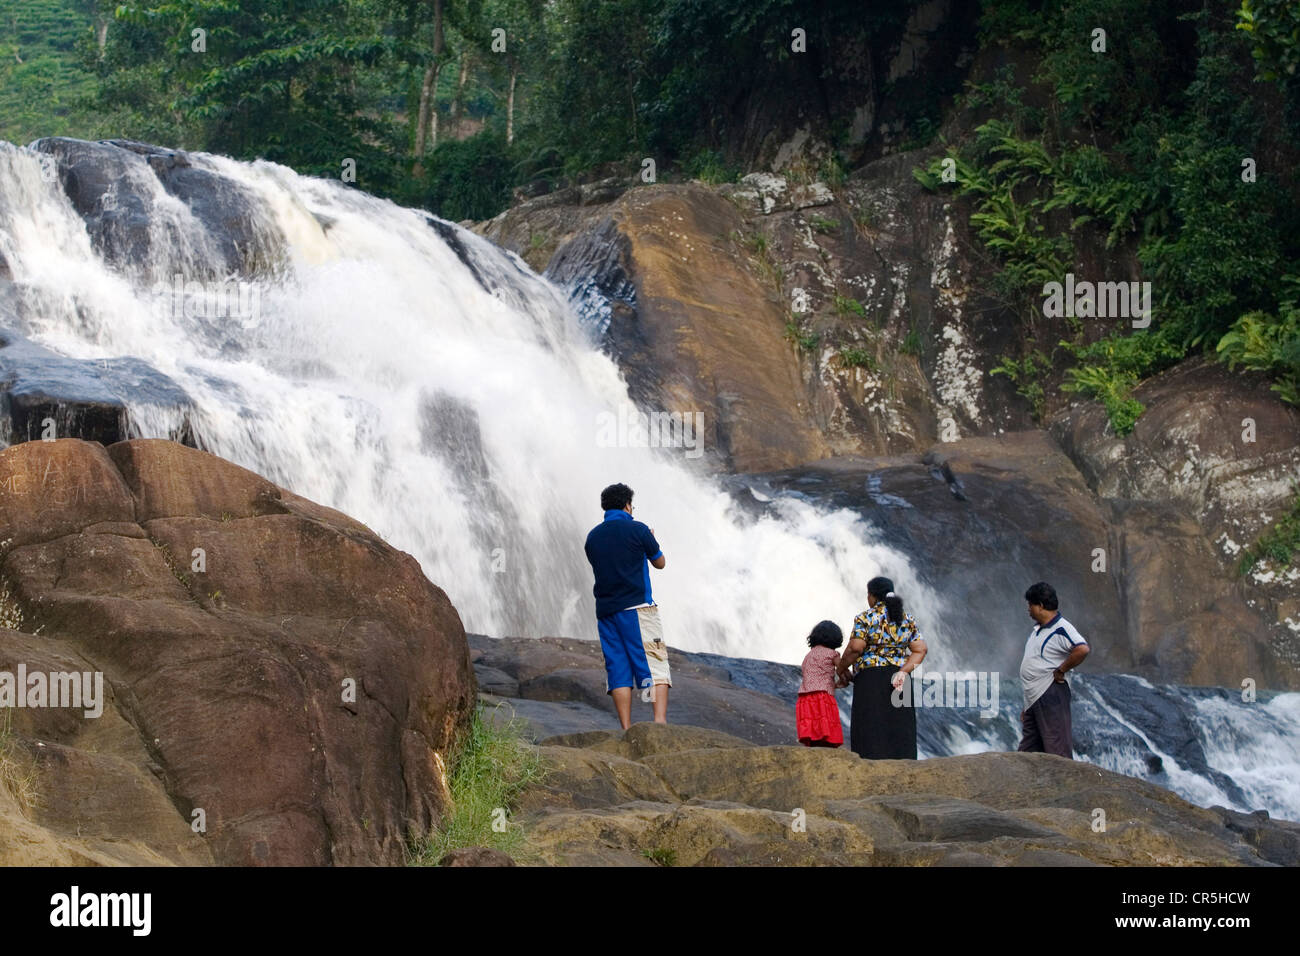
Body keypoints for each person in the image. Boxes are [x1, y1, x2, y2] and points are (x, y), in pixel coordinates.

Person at [583, 482, 671, 729]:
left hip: (606, 613)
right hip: (638, 609)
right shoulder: (638, 530)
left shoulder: (593, 537)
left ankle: (626, 728)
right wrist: (650, 541)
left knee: (618, 667)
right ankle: (660, 724)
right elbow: (660, 563)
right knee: (654, 663)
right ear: (627, 505)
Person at [836, 576, 927, 759]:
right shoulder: (906, 619)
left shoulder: (866, 618)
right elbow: (921, 650)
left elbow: (856, 647)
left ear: (872, 596)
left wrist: (841, 669)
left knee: (870, 728)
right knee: (901, 731)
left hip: (871, 679)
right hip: (900, 680)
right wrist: (903, 670)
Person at [1017, 581, 1089, 759]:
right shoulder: (1037, 631)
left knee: (1056, 750)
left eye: (1030, 605)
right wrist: (1026, 705)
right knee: (1027, 752)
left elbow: (1082, 649)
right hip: (1034, 699)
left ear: (1040, 606)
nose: (1028, 609)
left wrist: (1062, 669)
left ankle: (1066, 786)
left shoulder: (1062, 628)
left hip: (1051, 694)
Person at [797, 621, 844, 748]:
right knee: (825, 724)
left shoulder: (808, 655)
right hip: (822, 696)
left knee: (813, 726)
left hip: (805, 697)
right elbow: (842, 669)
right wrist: (846, 680)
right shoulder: (832, 654)